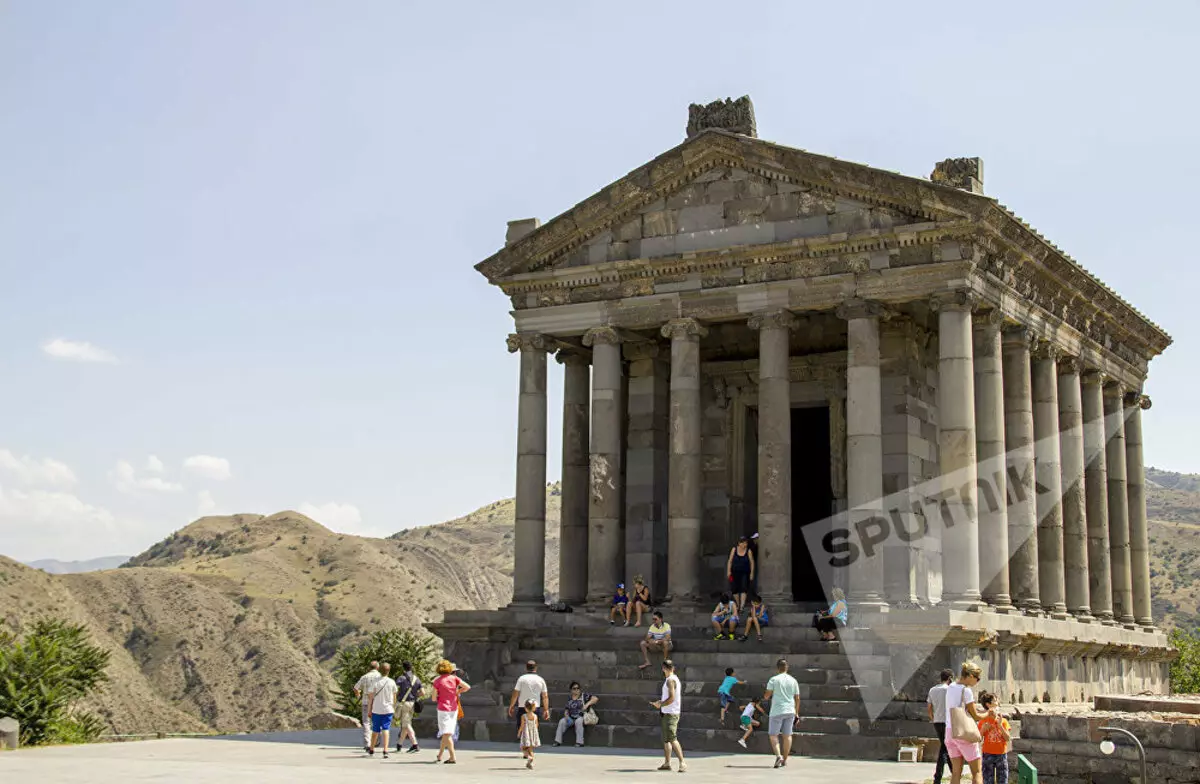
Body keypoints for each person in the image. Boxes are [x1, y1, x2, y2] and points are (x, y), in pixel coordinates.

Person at [946, 661, 984, 784]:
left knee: (956, 772)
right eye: (977, 679)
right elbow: (976, 716)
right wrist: (989, 713)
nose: (977, 682)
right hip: (963, 732)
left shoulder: (951, 686)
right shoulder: (966, 691)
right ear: (971, 676)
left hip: (950, 732)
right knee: (977, 772)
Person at [762, 658, 801, 769]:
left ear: (777, 668)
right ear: (787, 667)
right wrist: (797, 713)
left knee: (773, 735)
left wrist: (766, 695)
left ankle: (778, 756)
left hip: (777, 710)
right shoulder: (793, 680)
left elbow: (767, 696)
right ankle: (785, 759)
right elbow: (797, 698)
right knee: (787, 735)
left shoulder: (773, 679)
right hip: (790, 710)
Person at [651, 659, 686, 773]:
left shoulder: (670, 680)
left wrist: (660, 704)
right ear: (673, 668)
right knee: (666, 740)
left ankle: (682, 763)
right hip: (667, 712)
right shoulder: (673, 679)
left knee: (672, 738)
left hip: (671, 713)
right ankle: (667, 763)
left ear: (663, 668)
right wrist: (661, 702)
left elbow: (671, 698)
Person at [432, 659, 470, 764]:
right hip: (454, 709)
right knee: (447, 733)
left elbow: (434, 698)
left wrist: (440, 695)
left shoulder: (437, 681)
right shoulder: (455, 678)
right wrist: (457, 692)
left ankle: (452, 757)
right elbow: (467, 687)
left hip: (443, 709)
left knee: (446, 733)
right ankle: (440, 755)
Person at [976, 692, 1011, 784]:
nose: (997, 702)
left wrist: (1000, 726)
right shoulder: (983, 721)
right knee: (987, 780)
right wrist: (983, 729)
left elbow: (1007, 738)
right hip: (988, 754)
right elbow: (978, 739)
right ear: (988, 704)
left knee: (1003, 780)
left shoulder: (1003, 720)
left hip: (1001, 754)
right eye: (995, 700)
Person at [366, 662, 398, 759]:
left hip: (377, 709)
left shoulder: (375, 682)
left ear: (380, 670)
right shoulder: (392, 682)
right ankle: (385, 750)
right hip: (388, 709)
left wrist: (369, 710)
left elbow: (370, 698)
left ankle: (371, 749)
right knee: (386, 729)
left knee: (375, 730)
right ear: (388, 671)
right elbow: (394, 697)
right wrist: (393, 707)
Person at [927, 668, 954, 784]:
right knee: (945, 747)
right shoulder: (950, 690)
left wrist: (933, 718)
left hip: (937, 721)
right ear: (950, 678)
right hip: (948, 722)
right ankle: (939, 776)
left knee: (945, 747)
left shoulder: (933, 690)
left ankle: (949, 774)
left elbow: (929, 707)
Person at [508, 660, 550, 731]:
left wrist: (511, 706)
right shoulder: (541, 680)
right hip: (535, 708)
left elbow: (515, 694)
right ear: (536, 668)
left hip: (523, 708)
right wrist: (546, 710)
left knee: (521, 730)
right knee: (534, 731)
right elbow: (545, 696)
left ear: (526, 668)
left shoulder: (521, 679)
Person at [554, 681, 598, 747]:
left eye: (578, 688)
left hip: (581, 716)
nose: (576, 690)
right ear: (571, 690)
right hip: (571, 717)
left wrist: (587, 704)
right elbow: (566, 710)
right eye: (574, 688)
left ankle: (579, 742)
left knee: (578, 721)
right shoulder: (570, 699)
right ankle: (557, 741)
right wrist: (567, 717)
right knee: (562, 721)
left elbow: (595, 699)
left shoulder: (584, 696)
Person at [353, 661, 382, 753]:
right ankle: (377, 741)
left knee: (366, 723)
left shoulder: (365, 677)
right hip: (378, 702)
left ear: (370, 668)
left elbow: (356, 688)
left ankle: (367, 743)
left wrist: (358, 695)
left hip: (366, 702)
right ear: (377, 668)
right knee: (377, 721)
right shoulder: (381, 677)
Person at [394, 661, 423, 754]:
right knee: (406, 724)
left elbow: (394, 689)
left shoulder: (401, 678)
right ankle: (399, 744)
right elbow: (423, 692)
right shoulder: (416, 679)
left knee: (406, 725)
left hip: (404, 703)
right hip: (412, 703)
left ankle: (415, 745)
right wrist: (415, 696)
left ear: (403, 668)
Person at [726, 536, 756, 612]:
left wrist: (752, 573)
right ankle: (738, 604)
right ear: (739, 543)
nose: (745, 545)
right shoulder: (734, 549)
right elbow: (730, 560)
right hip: (734, 572)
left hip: (744, 572)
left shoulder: (748, 551)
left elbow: (752, 562)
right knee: (734, 588)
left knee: (744, 588)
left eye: (746, 543)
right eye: (743, 543)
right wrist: (728, 571)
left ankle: (742, 606)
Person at [518, 698, 541, 769]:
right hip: (533, 734)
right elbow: (537, 725)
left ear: (526, 708)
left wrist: (519, 732)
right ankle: (530, 762)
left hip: (526, 734)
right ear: (534, 708)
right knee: (530, 749)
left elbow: (522, 726)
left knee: (523, 747)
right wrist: (535, 733)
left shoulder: (524, 716)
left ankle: (529, 757)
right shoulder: (535, 716)